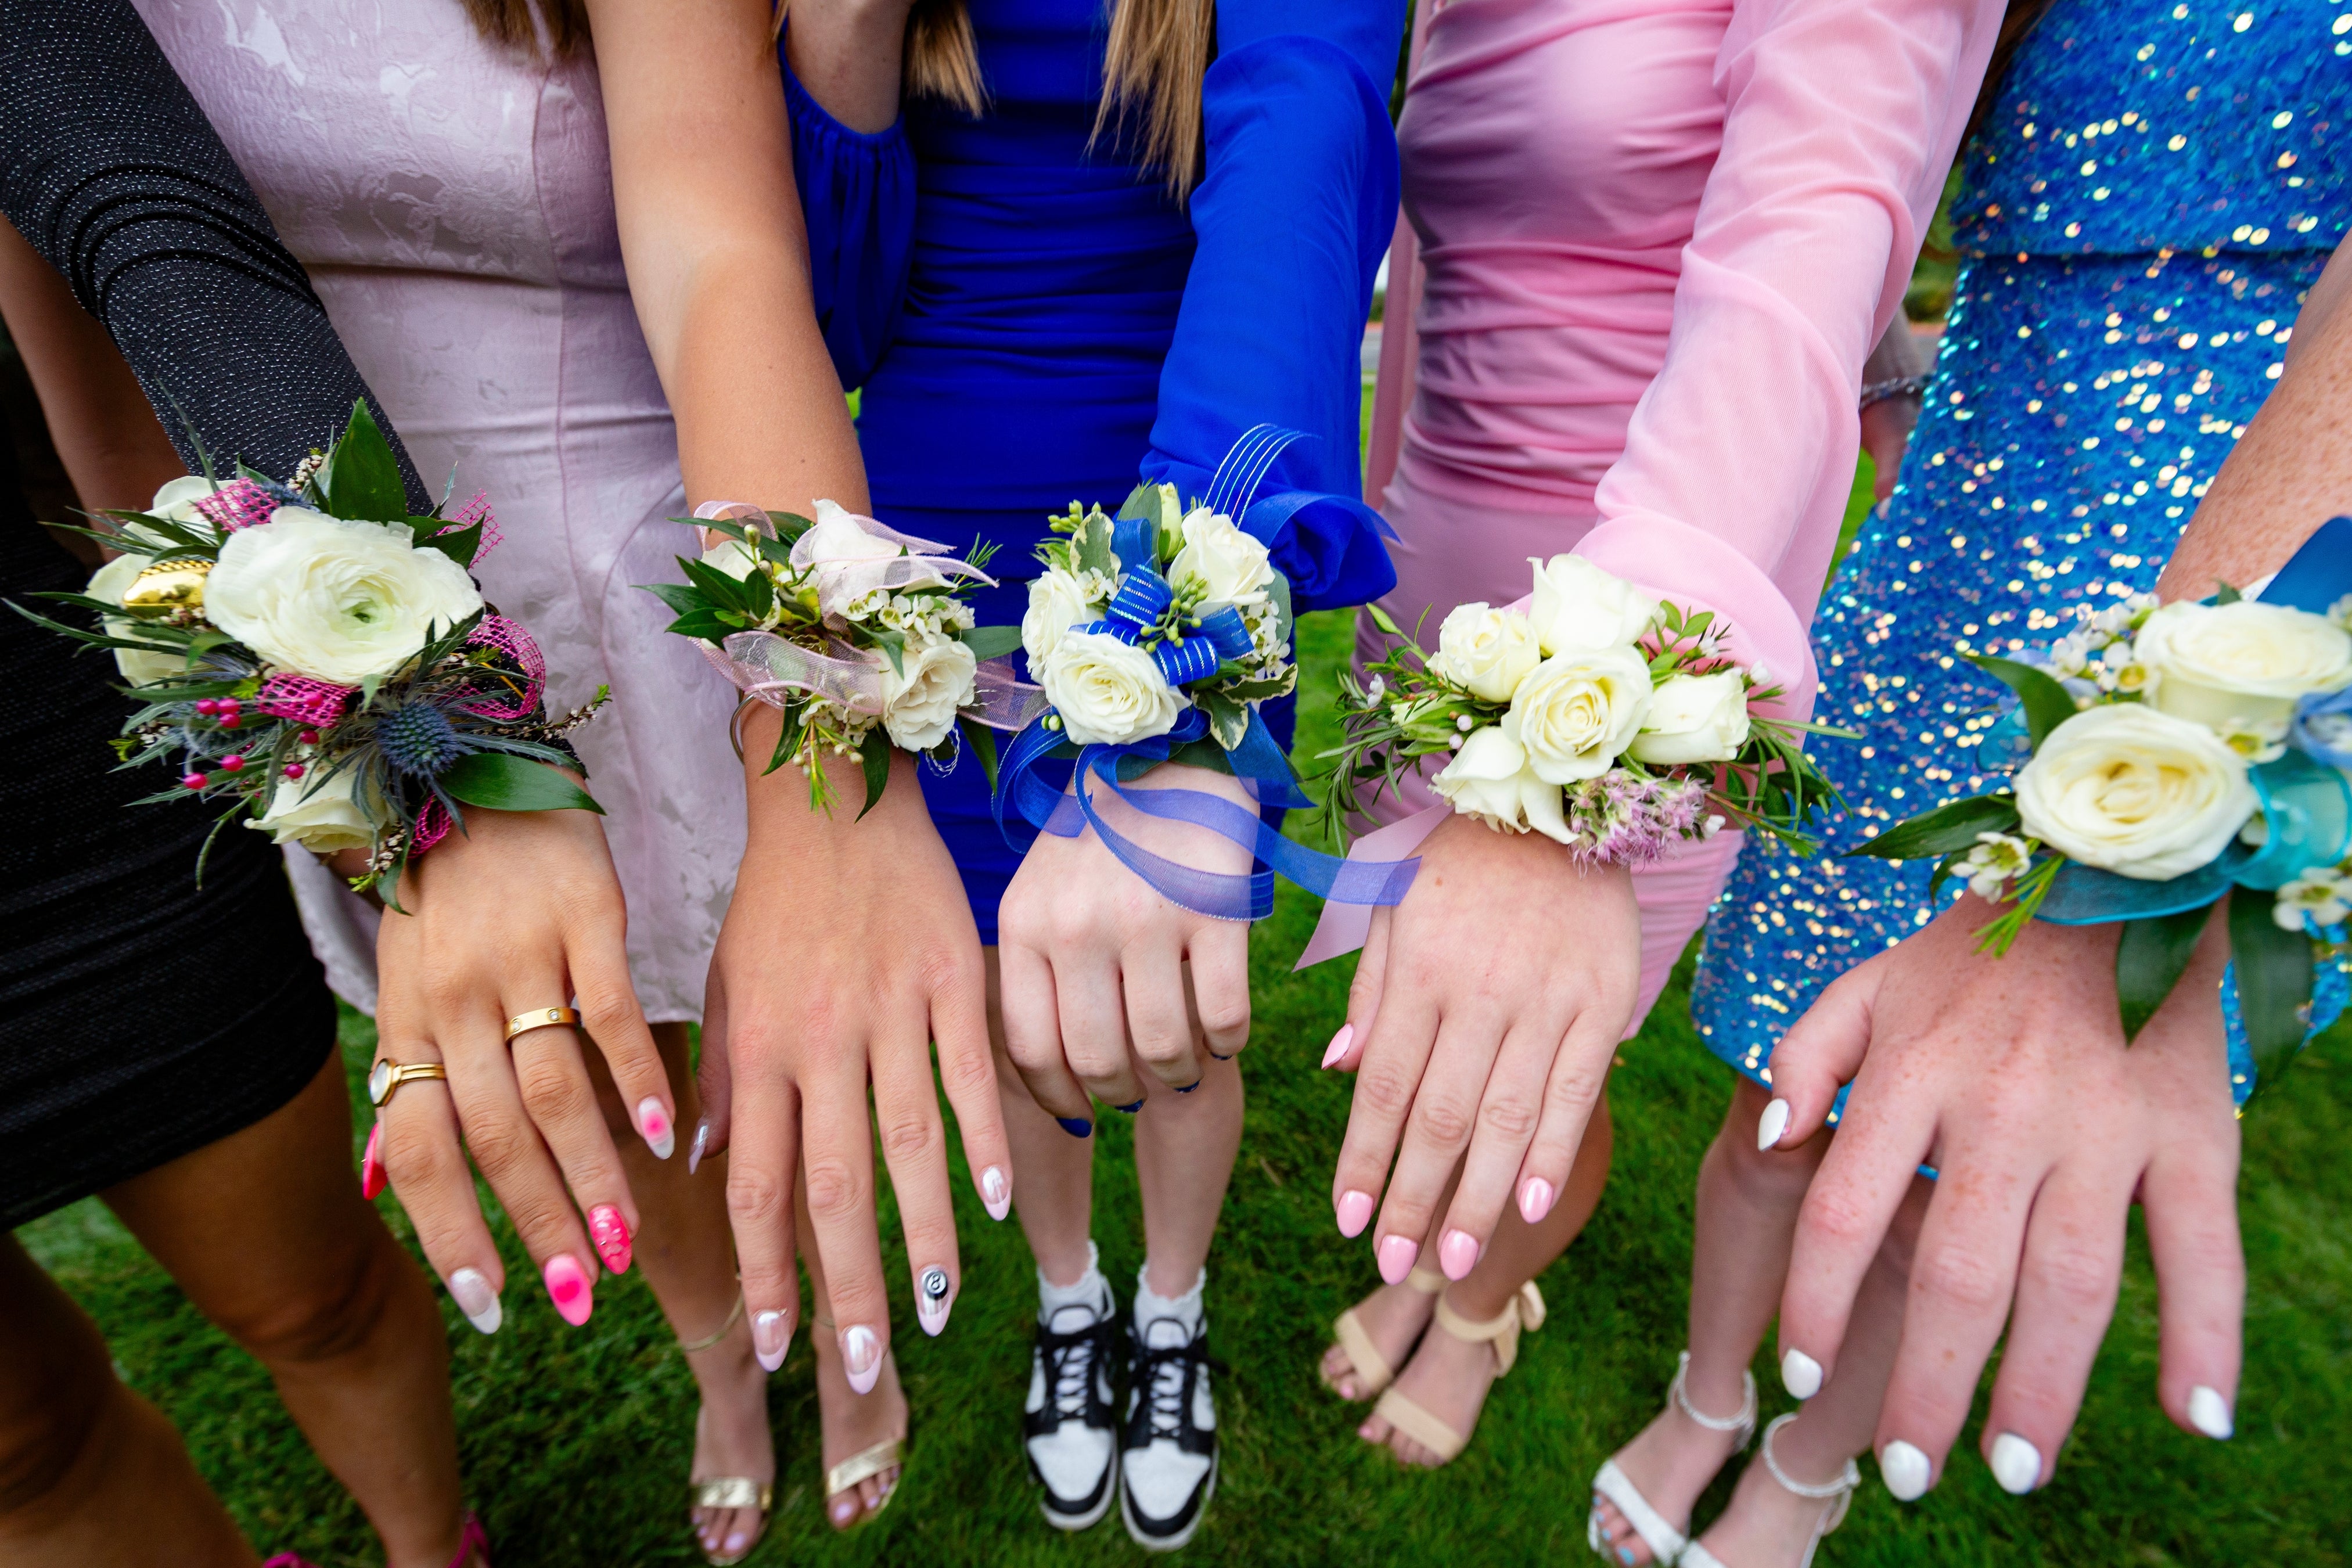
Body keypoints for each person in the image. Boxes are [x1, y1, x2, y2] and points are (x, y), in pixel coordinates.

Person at [130, 0, 968, 1558]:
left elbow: (724, 255)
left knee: (743, 1016)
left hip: (652, 546)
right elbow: (110, 360)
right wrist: (303, 709)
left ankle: (838, 1337)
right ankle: (727, 1358)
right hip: (327, 627)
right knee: (577, 1056)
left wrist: (824, 734)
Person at [1594, 2, 2352, 1562]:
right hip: (1946, 579)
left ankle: (1808, 1465)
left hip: (2231, 592)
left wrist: (2185, 740)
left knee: (1961, 1152)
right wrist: (1891, 372)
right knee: (1779, 1085)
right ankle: (1709, 1394)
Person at [716, 0, 1401, 1547]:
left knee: (1166, 972)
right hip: (935, 494)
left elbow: (1306, 137)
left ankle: (1170, 1307)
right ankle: (1073, 1299)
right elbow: (821, 306)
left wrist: (1182, 608)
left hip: (1186, 451)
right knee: (991, 961)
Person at [1316, 0, 2001, 1493]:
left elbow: (1809, 238)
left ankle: (1481, 1304)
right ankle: (1435, 1261)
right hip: (1434, 569)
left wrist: (1606, 724)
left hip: (1661, 594)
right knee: (1423, 993)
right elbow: (1438, 279)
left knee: (1560, 1045)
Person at [0, 3, 482, 1563]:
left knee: (306, 1286)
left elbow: (142, 216)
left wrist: (421, 714)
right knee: (16, 1444)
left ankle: (433, 1547)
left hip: (44, 761)